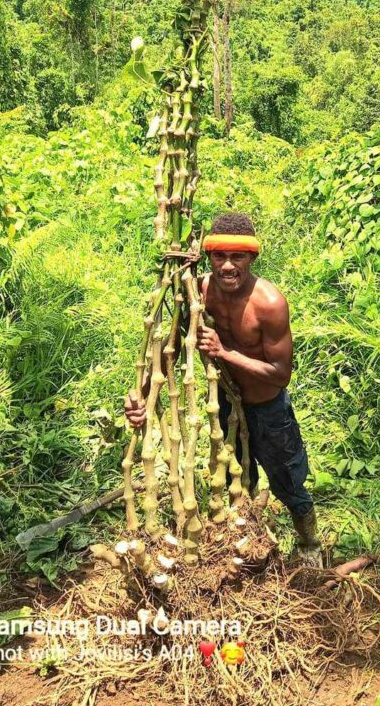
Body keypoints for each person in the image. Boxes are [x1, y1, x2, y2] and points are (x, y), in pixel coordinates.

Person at [125, 212, 322, 566]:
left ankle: (310, 544)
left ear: (252, 258)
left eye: (238, 257)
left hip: (268, 410)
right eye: (219, 256)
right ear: (209, 257)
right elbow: (169, 348)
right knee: (238, 481)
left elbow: (280, 374)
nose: (228, 266)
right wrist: (141, 396)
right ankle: (246, 546)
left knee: (288, 483)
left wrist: (224, 352)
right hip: (227, 409)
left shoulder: (269, 303)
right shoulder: (197, 291)